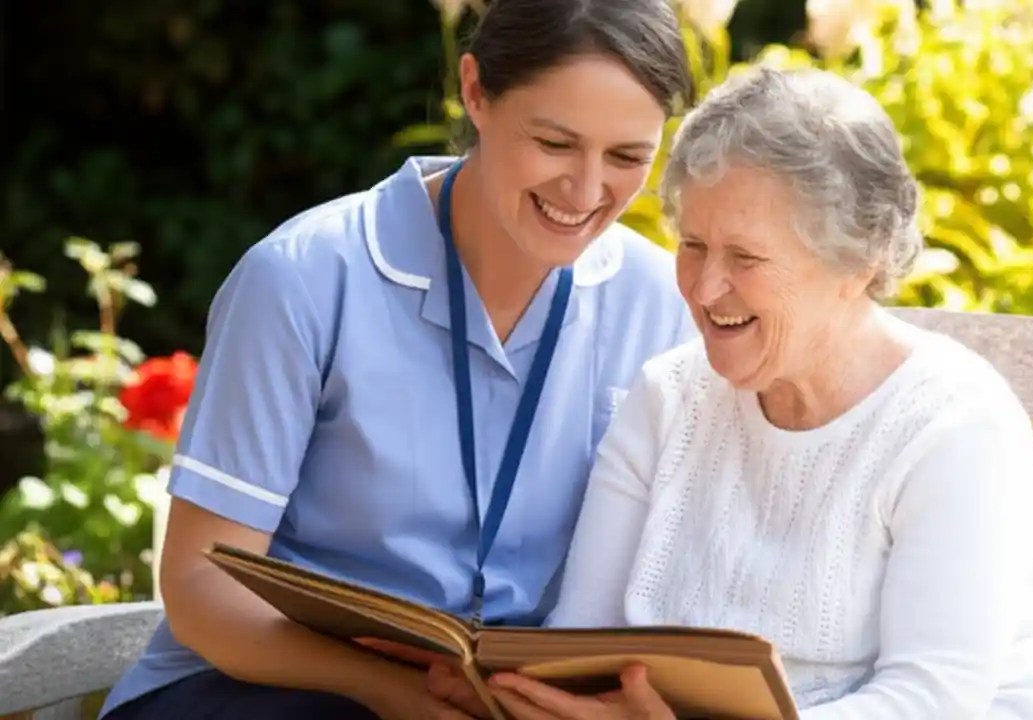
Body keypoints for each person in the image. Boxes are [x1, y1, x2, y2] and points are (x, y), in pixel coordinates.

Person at [97, 1, 695, 718]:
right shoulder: (304, 277)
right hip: (262, 690)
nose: (587, 190)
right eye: (555, 143)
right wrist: (393, 694)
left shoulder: (663, 303)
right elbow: (201, 587)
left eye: (628, 157)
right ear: (475, 91)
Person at [484, 67, 1033, 719]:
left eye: (746, 259)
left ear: (861, 263)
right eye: (693, 246)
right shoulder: (668, 399)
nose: (706, 290)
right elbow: (582, 643)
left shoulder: (954, 427)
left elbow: (929, 699)